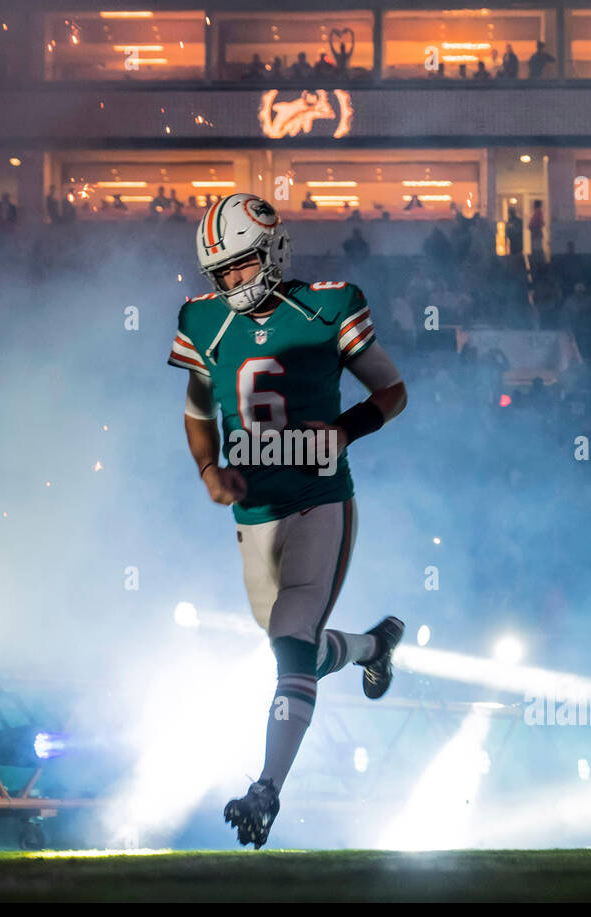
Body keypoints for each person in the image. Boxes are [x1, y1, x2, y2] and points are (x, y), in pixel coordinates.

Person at [167, 193, 407, 849]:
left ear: (272, 250)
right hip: (254, 514)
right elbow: (195, 410)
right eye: (222, 272)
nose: (232, 281)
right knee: (289, 642)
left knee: (291, 633)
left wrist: (345, 430)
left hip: (320, 498)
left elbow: (392, 390)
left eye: (242, 266)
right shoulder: (202, 319)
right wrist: (208, 469)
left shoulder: (327, 307)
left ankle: (266, 788)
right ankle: (368, 647)